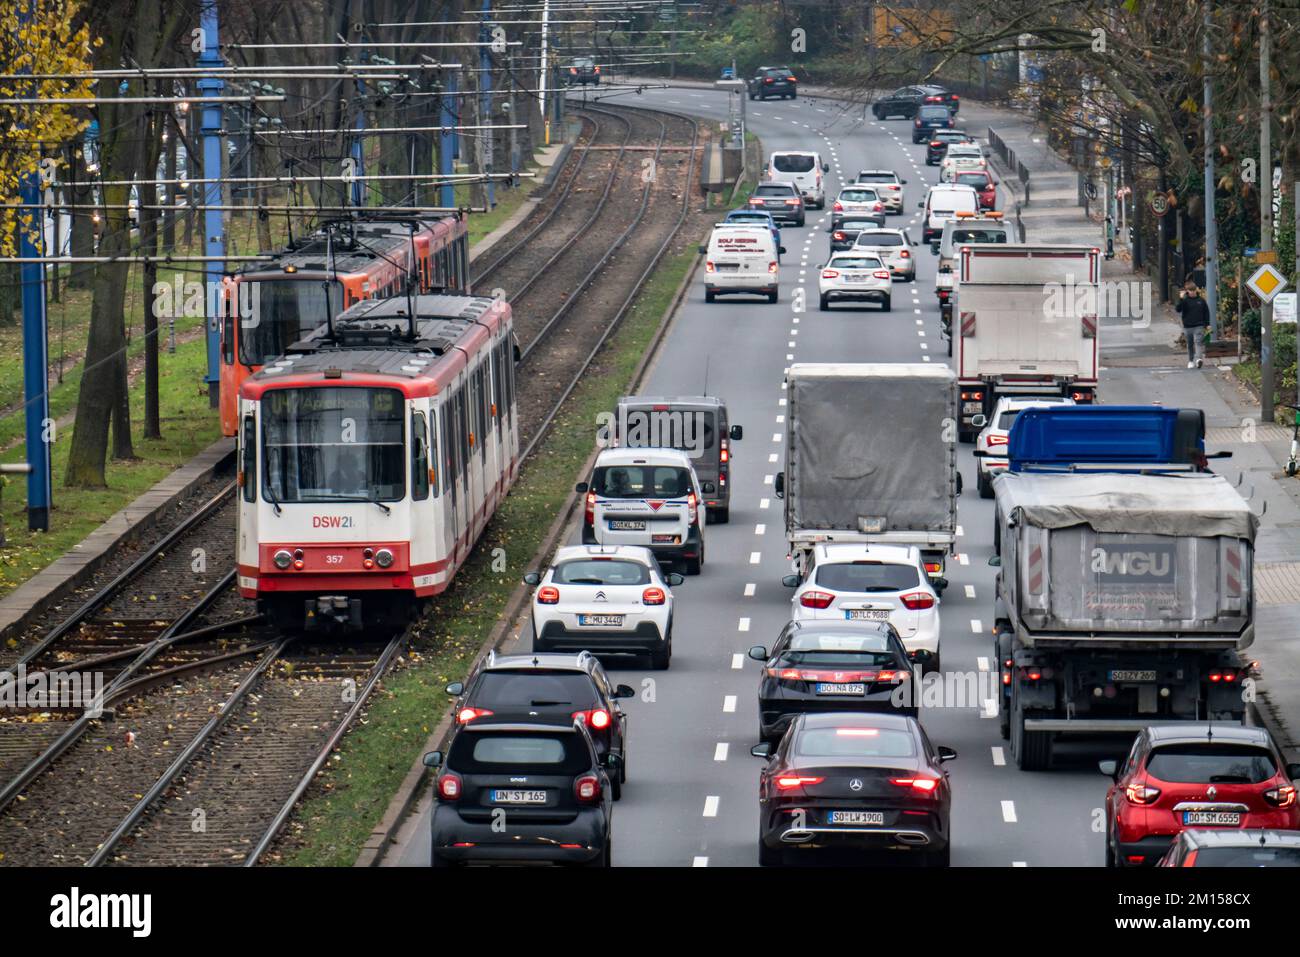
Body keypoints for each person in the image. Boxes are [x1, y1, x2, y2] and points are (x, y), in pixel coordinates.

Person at [1175, 277, 1210, 369]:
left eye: (1194, 290)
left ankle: (1199, 359)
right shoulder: (1185, 301)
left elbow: (1206, 312)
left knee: (1198, 342)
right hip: (1187, 326)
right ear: (1187, 291)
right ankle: (1190, 360)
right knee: (1190, 344)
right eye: (1190, 290)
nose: (1193, 292)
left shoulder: (1201, 301)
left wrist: (1207, 324)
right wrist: (1181, 299)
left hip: (1199, 325)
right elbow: (1178, 309)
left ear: (1196, 290)